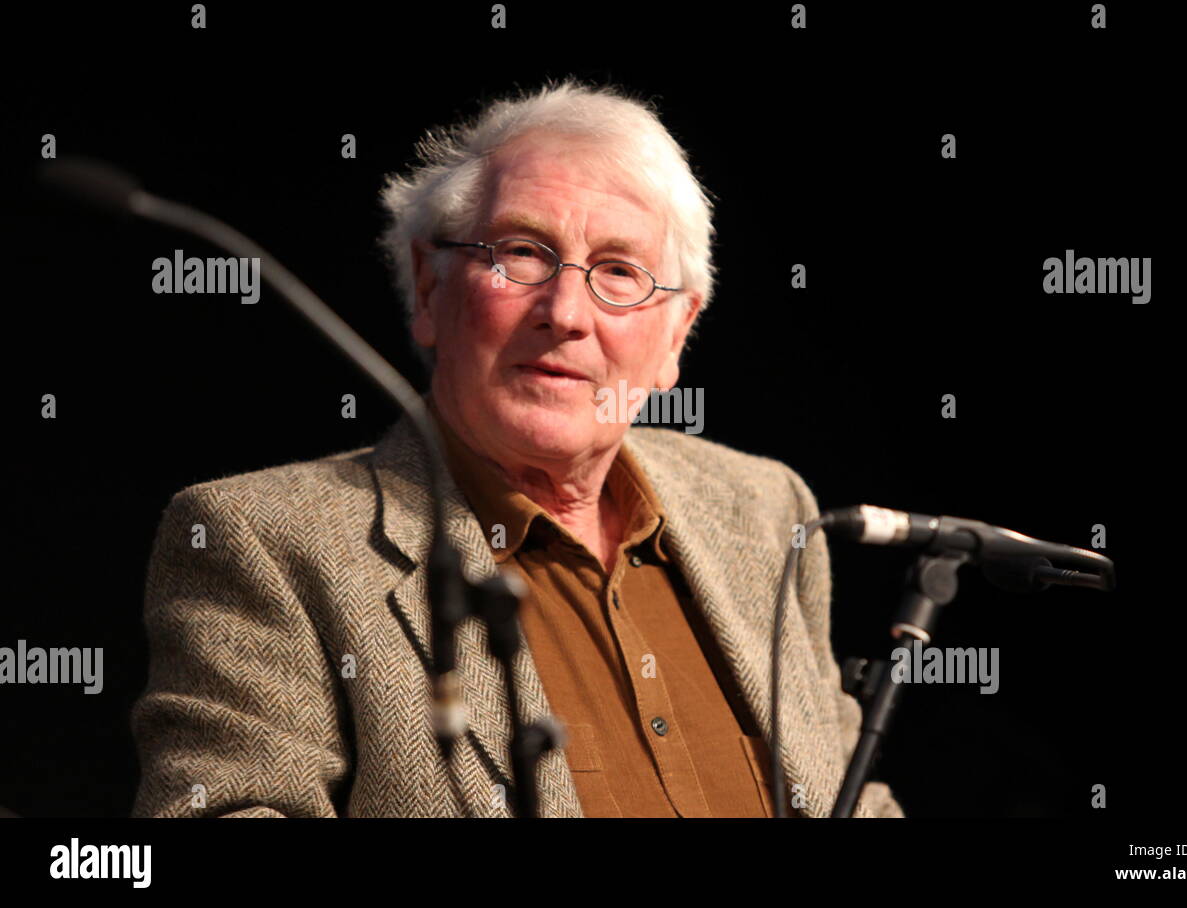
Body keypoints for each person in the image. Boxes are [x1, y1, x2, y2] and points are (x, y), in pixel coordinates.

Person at [130, 79, 903, 818]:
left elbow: (852, 794)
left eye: (619, 270)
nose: (565, 311)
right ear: (431, 290)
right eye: (522, 253)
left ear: (676, 333)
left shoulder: (768, 509)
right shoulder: (267, 541)